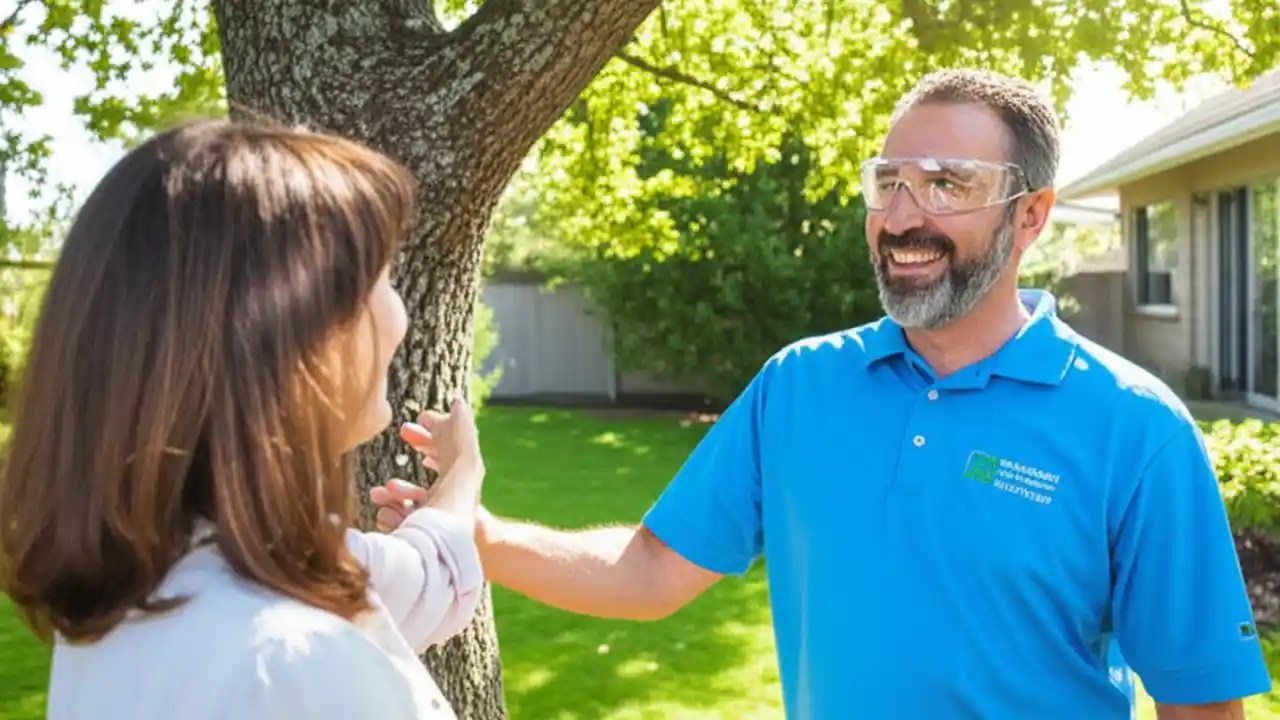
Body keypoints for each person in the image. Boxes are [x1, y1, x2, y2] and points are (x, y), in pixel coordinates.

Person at [381, 69, 1272, 718]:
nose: (903, 214)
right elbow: (651, 571)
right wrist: (481, 537)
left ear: (1030, 216)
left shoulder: (1135, 426)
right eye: (888, 182)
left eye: (946, 185)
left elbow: (1200, 706)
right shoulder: (799, 385)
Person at [0, 119, 486, 720]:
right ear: (293, 329)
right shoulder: (296, 666)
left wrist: (461, 477)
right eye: (382, 277)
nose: (401, 317)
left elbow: (418, 575)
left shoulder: (152, 587)